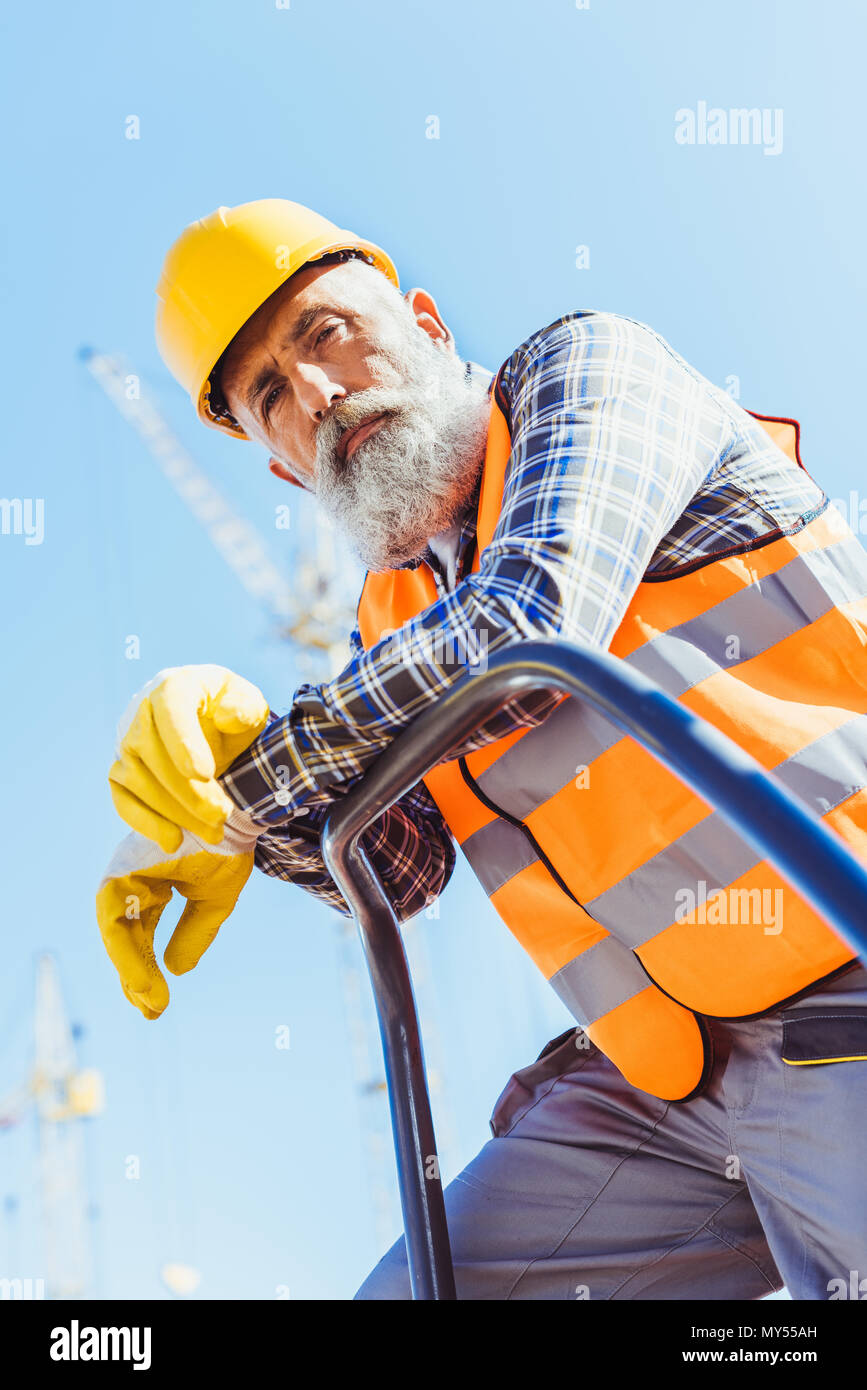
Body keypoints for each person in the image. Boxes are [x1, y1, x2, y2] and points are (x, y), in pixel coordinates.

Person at [97, 198, 867, 1299]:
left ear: (424, 320)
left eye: (325, 332)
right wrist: (240, 814)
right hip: (665, 1083)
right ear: (280, 467)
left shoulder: (589, 369)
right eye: (271, 394)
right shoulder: (388, 616)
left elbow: (531, 623)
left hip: (842, 984)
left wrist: (268, 763)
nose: (318, 395)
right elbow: (401, 870)